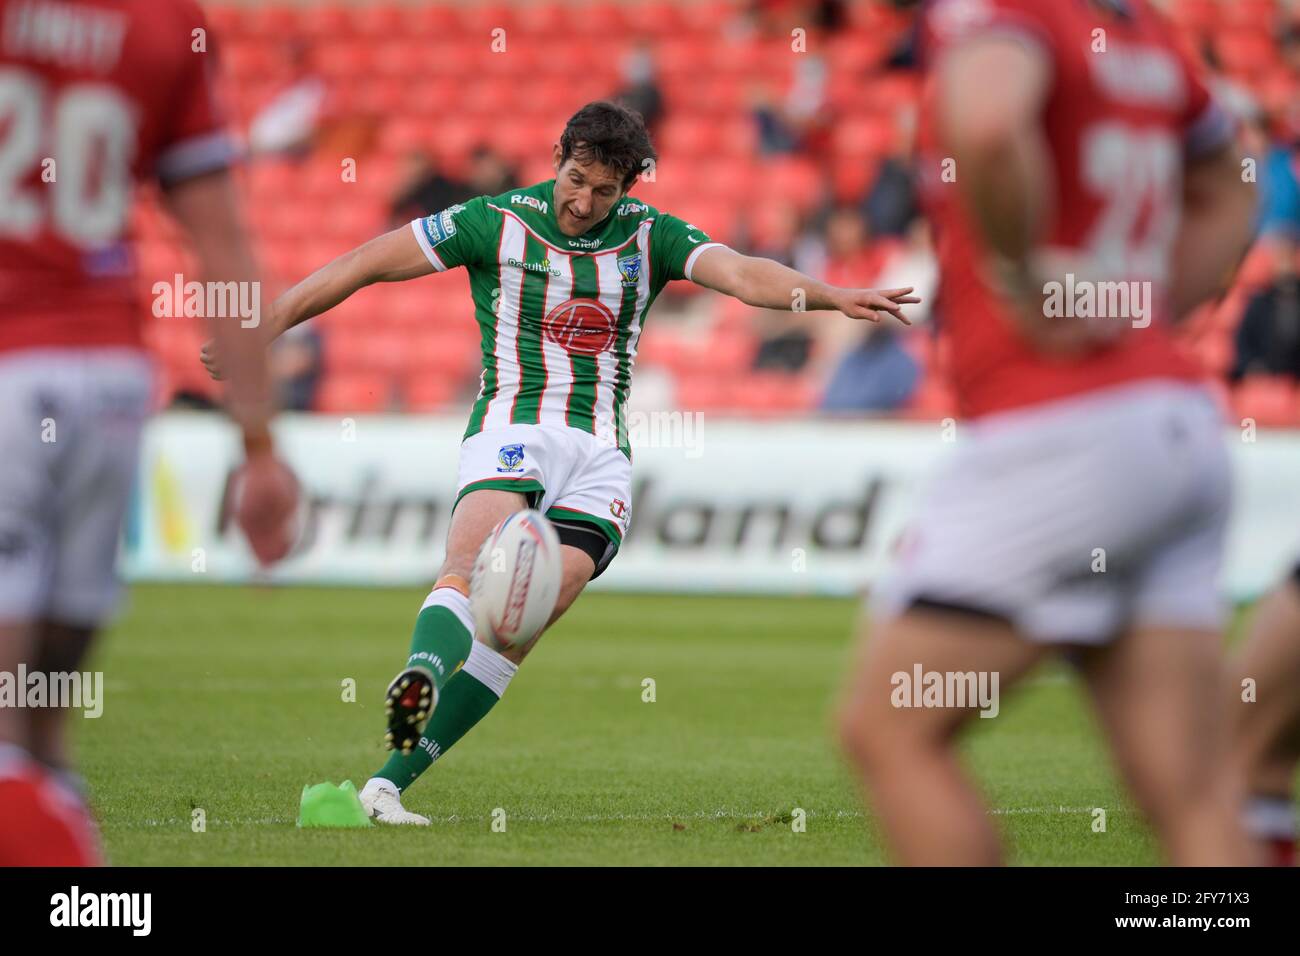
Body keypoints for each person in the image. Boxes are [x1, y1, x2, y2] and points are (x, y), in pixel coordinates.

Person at [203, 100, 918, 825]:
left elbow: (740, 273)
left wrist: (829, 295)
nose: (583, 202)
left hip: (602, 454)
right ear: (557, 157)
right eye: (576, 179)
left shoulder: (651, 236)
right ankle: (420, 671)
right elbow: (366, 263)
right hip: (516, 425)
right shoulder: (495, 220)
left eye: (604, 191)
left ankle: (383, 788)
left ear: (629, 187)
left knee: (523, 621)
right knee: (470, 561)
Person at [837, 0, 1256, 865]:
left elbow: (988, 125)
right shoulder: (1140, 27)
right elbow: (1234, 177)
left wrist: (1022, 274)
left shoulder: (1000, 10)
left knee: (889, 731)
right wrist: (1142, 313)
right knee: (1191, 790)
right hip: (1171, 420)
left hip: (1058, 429)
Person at [0, 0, 298, 865]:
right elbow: (221, 241)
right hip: (105, 383)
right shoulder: (165, 21)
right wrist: (259, 445)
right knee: (46, 719)